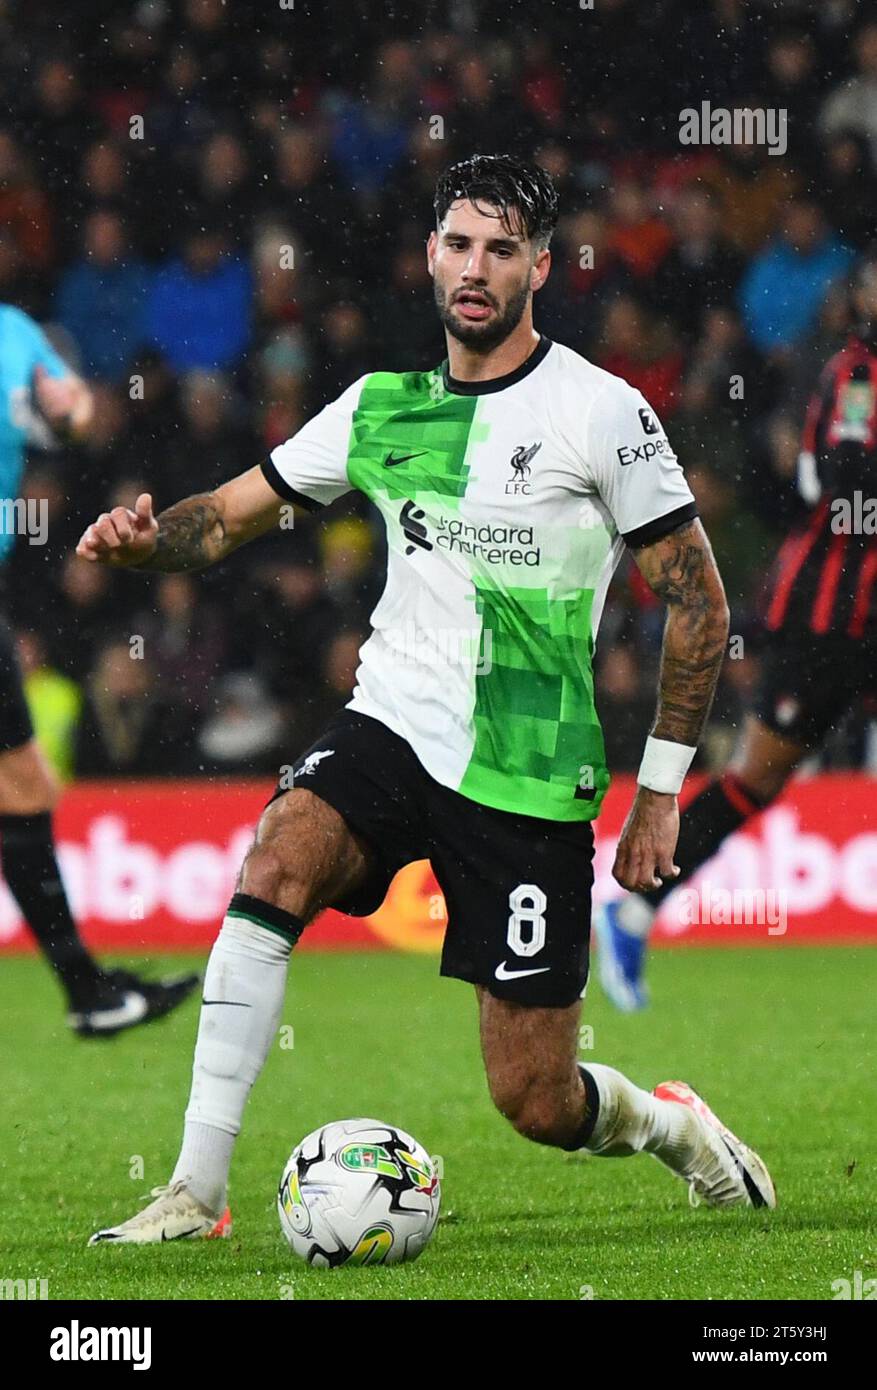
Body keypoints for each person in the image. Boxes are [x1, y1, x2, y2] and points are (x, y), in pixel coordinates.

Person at [79, 155, 774, 1246]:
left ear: (540, 266)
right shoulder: (379, 409)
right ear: (430, 257)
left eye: (502, 249)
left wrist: (659, 795)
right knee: (275, 862)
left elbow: (697, 605)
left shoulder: (603, 412)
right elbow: (223, 518)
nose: (475, 267)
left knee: (535, 1100)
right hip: (392, 723)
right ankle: (195, 1191)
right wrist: (139, 540)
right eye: (458, 243)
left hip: (528, 767)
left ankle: (667, 1123)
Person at [596, 248, 877, 1011]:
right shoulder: (857, 375)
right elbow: (844, 478)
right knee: (756, 776)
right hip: (832, 616)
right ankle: (631, 907)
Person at [0, 301, 198, 1035]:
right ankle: (89, 993)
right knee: (23, 783)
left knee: (24, 783)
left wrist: (68, 406)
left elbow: (79, 415)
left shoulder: (14, 332)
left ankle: (90, 993)